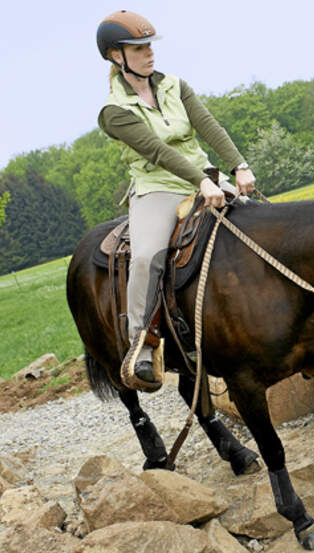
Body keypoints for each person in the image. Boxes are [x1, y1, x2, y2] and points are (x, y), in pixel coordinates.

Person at [95, 10, 258, 391]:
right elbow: (156, 151)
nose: (149, 53)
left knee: (264, 224)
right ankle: (142, 343)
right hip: (158, 187)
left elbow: (208, 126)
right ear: (116, 56)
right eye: (139, 48)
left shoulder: (175, 86)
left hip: (206, 178)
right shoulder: (113, 112)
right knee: (146, 256)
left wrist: (239, 166)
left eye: (150, 45)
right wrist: (200, 181)